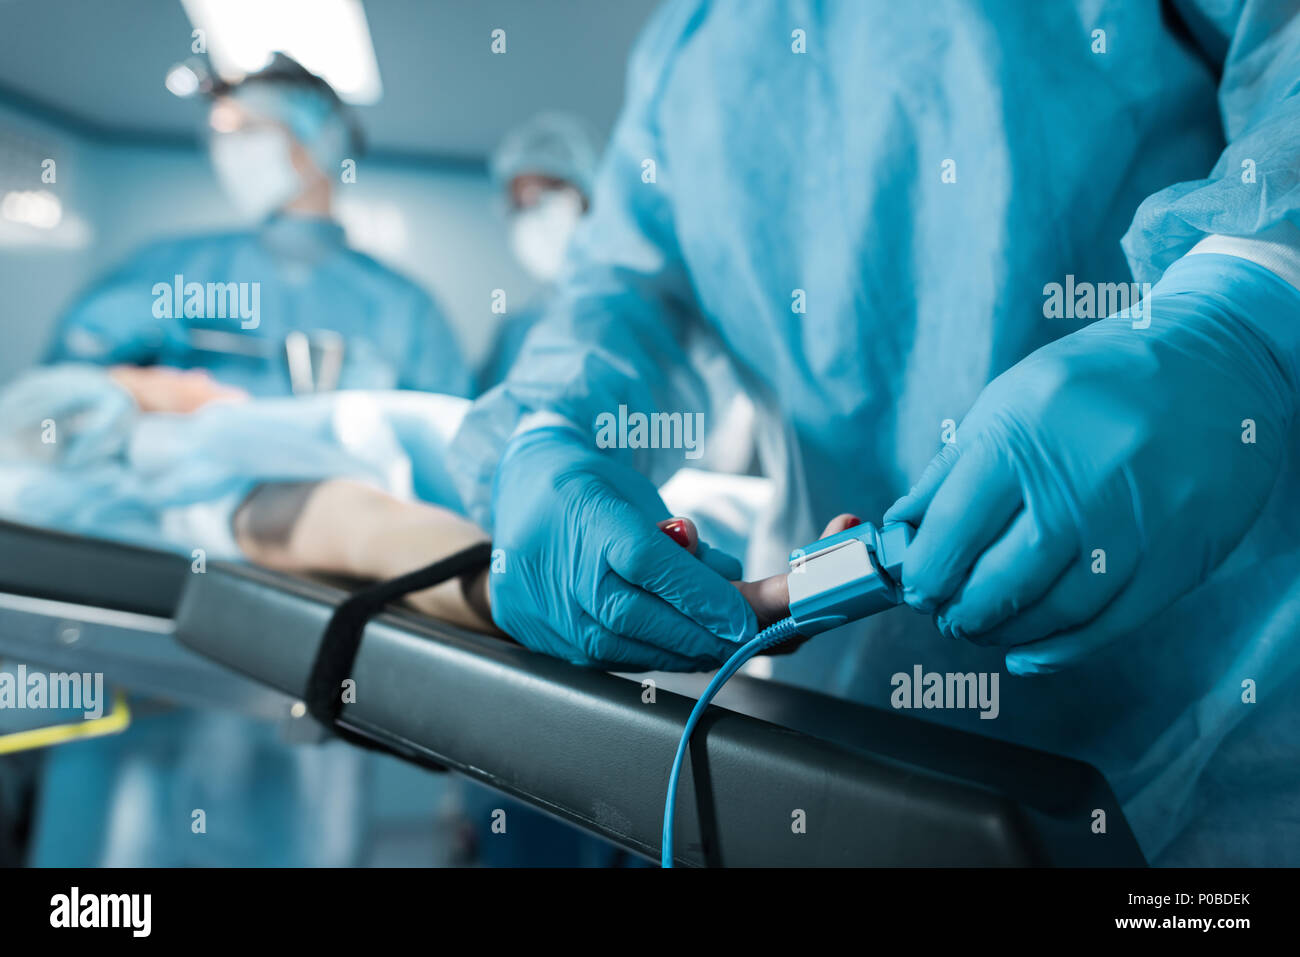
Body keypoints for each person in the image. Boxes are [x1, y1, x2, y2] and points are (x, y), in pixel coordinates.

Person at [450, 1, 1300, 865]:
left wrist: (1247, 308)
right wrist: (554, 433)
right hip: (843, 743)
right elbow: (626, 297)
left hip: (1223, 738)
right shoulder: (695, 46)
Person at [46, 53, 470, 398]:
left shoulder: (403, 308)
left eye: (247, 131)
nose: (228, 151)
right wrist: (95, 348)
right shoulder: (169, 266)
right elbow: (55, 397)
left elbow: (445, 450)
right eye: (218, 136)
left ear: (319, 143)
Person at [478, 112, 599, 391]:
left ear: (590, 198)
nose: (532, 217)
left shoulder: (635, 311)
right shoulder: (518, 332)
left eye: (544, 196)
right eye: (520, 206)